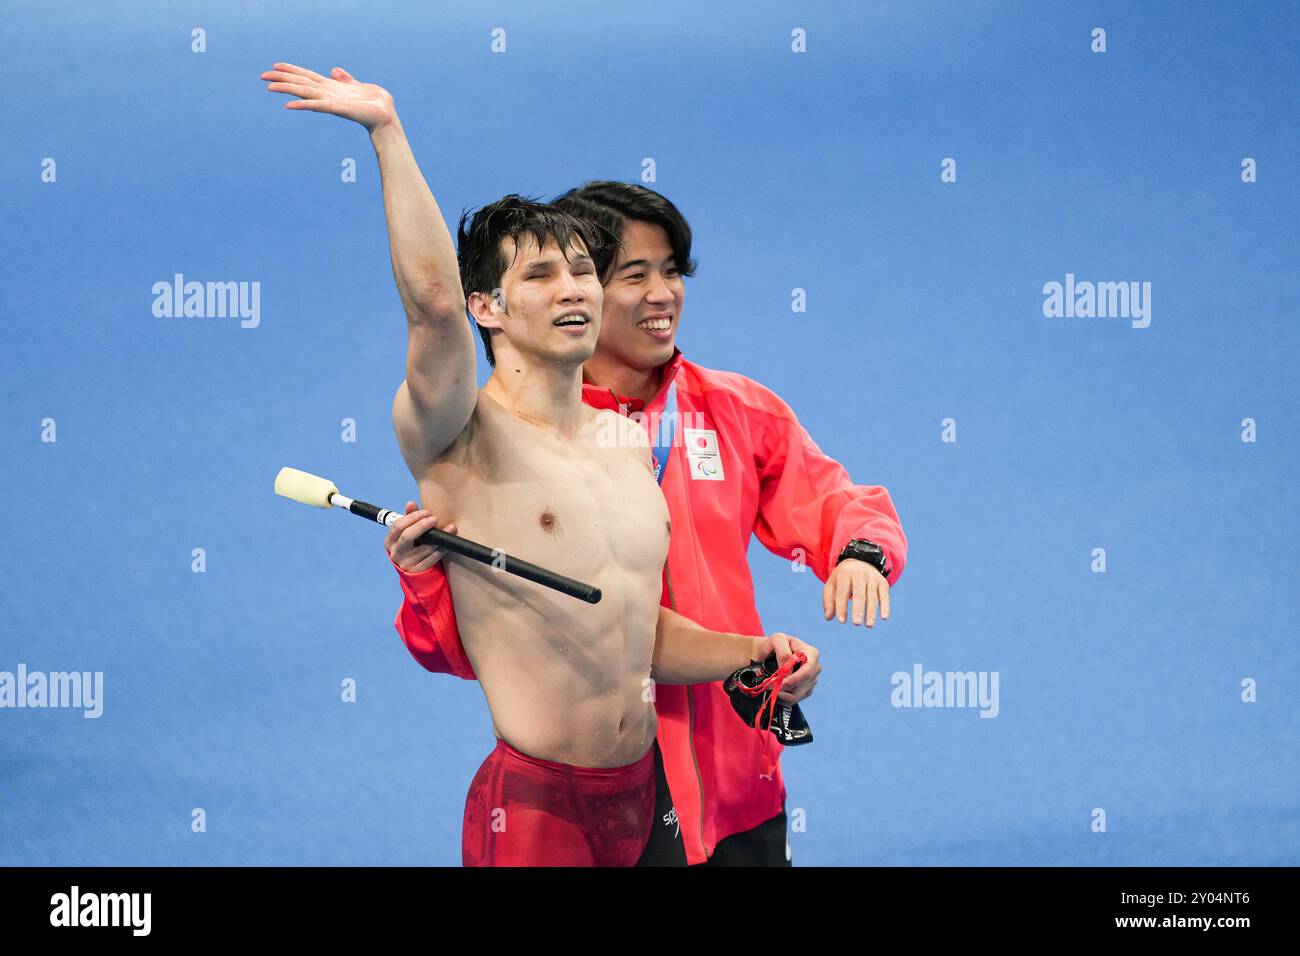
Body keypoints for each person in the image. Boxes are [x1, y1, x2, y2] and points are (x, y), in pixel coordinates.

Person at [262, 62, 821, 866]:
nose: (576, 291)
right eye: (541, 275)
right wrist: (387, 131)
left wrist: (750, 652)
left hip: (645, 796)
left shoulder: (625, 446)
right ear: (487, 306)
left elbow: (630, 626)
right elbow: (430, 304)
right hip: (536, 813)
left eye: (585, 271)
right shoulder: (461, 432)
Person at [388, 176, 910, 866]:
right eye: (635, 275)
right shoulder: (494, 441)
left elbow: (832, 498)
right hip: (584, 783)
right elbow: (483, 642)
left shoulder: (726, 413)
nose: (663, 294)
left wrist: (847, 566)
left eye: (672, 272)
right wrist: (426, 584)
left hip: (731, 779)